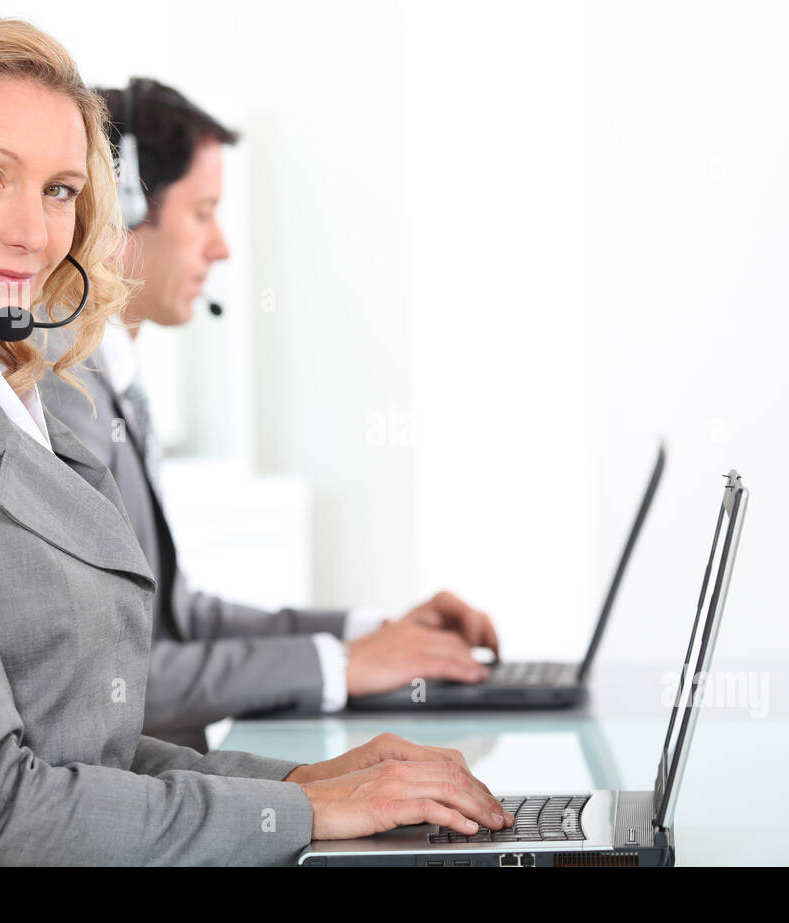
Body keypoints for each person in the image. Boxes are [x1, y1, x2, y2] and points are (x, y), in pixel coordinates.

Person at [0, 7, 510, 866]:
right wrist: (302, 814)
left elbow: (89, 751)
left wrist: (308, 784)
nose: (33, 232)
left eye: (57, 189)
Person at [39, 80, 499, 749]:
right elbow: (110, 674)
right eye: (203, 212)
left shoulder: (114, 381)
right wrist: (343, 667)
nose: (222, 247)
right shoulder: (62, 389)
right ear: (125, 209)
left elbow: (176, 617)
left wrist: (372, 634)